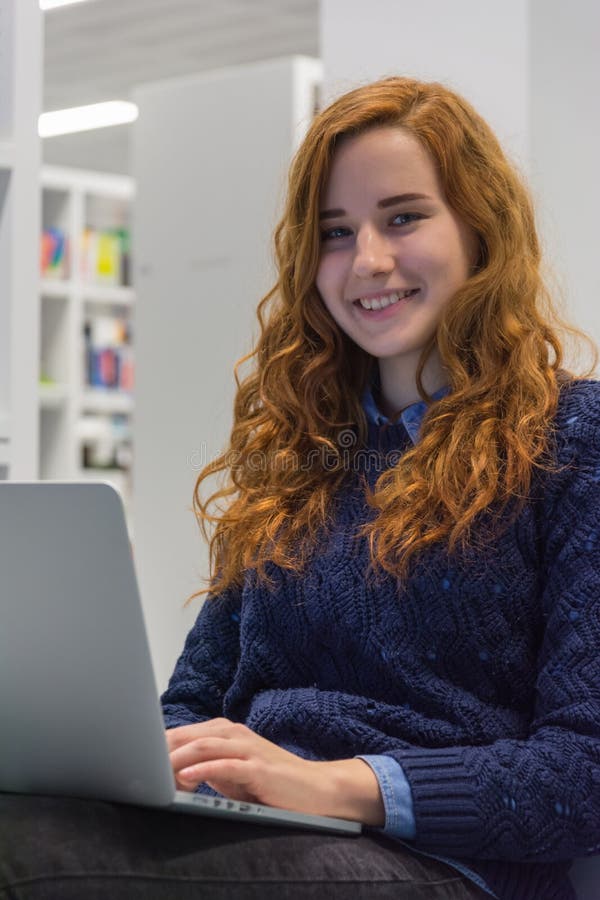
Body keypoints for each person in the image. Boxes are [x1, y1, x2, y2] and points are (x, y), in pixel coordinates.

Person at [2, 76, 600, 900]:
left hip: (450, 866)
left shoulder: (573, 439)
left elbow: (584, 772)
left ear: (480, 231)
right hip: (269, 831)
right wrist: (179, 763)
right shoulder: (300, 455)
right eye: (335, 232)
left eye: (403, 218)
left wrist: (333, 785)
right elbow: (191, 704)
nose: (369, 262)